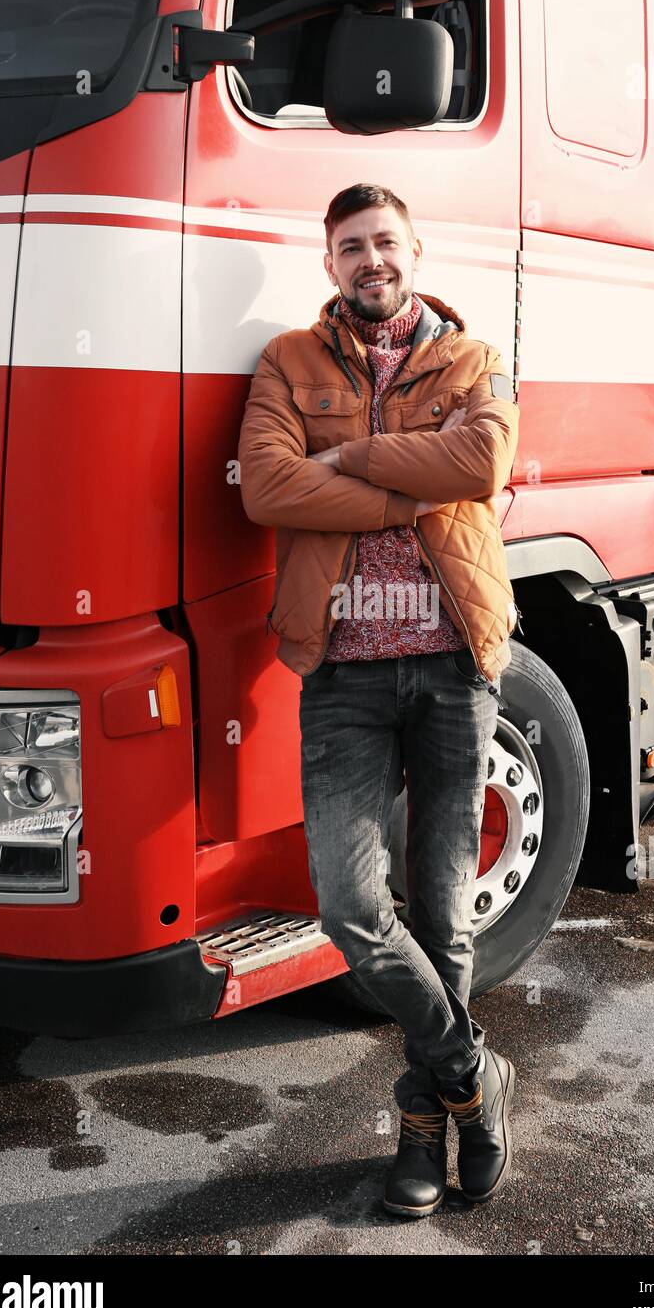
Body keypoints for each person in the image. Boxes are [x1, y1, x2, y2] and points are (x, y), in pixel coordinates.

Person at [239, 182, 521, 1217]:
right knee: (353, 909)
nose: (371, 260)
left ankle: (419, 1124)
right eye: (350, 246)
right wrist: (420, 480)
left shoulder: (469, 358)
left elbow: (482, 460)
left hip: (451, 666)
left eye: (385, 243)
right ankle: (473, 1077)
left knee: (443, 916)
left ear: (413, 250)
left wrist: (350, 457)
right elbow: (265, 487)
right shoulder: (288, 362)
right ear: (329, 263)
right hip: (345, 675)